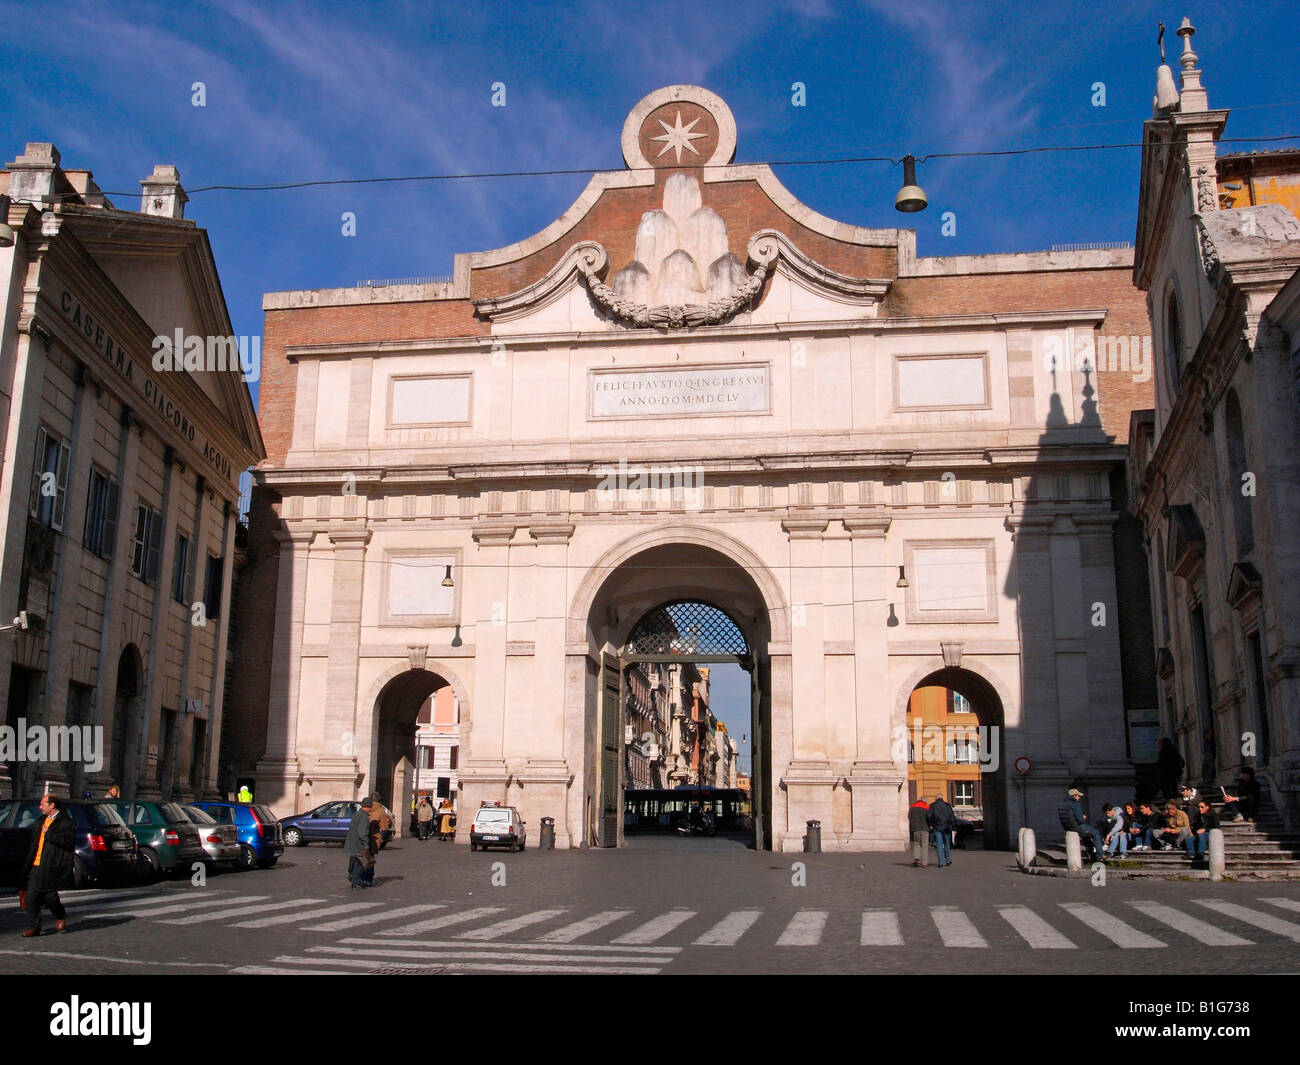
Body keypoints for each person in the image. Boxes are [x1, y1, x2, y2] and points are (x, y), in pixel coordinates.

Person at [18, 795, 74, 937]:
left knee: (50, 897)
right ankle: (35, 927)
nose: (40, 806)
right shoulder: (40, 821)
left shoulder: (65, 822)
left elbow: (68, 842)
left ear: (52, 805)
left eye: (43, 804)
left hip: (50, 865)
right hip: (35, 864)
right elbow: (34, 843)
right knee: (30, 897)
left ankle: (60, 914)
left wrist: (49, 834)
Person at [1058, 787, 1103, 859]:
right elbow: (1080, 820)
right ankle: (1100, 855)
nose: (1079, 797)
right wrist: (1083, 817)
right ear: (1074, 795)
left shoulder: (1062, 804)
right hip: (1076, 826)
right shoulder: (1075, 804)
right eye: (1078, 795)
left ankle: (1091, 855)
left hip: (1067, 826)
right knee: (1095, 832)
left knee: (1087, 836)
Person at [344, 798, 374, 890]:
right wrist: (366, 844)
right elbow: (362, 832)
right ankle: (355, 881)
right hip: (359, 844)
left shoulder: (356, 814)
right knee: (361, 864)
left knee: (355, 863)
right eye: (370, 807)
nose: (371, 809)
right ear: (368, 807)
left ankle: (354, 879)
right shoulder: (364, 817)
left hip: (352, 842)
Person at [927, 793, 955, 867]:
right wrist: (953, 826)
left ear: (936, 798)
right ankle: (948, 860)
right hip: (947, 827)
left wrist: (931, 825)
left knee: (939, 845)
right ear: (942, 798)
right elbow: (952, 817)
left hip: (937, 827)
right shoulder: (948, 805)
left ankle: (940, 862)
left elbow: (929, 816)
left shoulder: (932, 805)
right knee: (947, 844)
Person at [908, 798, 930, 867]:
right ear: (925, 802)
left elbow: (909, 816)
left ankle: (916, 859)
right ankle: (924, 863)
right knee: (924, 845)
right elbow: (929, 818)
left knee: (916, 844)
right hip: (925, 828)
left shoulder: (912, 807)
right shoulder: (926, 807)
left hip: (915, 829)